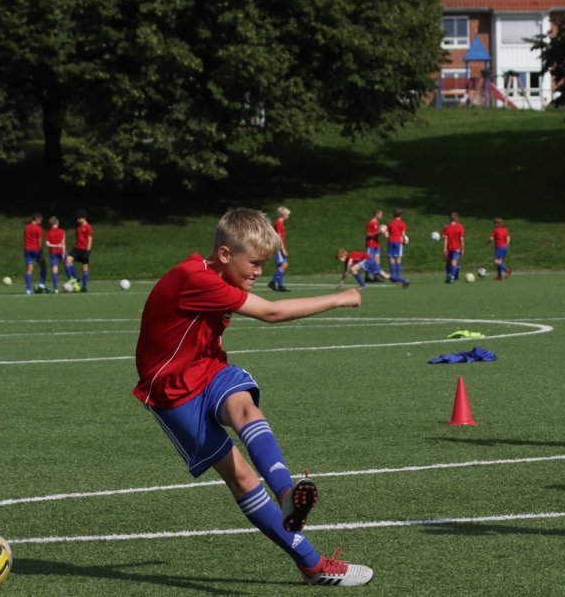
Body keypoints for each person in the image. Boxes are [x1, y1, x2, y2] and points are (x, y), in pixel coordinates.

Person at [134, 208, 373, 586]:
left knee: (243, 405)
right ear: (226, 254)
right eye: (255, 263)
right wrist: (340, 298)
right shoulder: (196, 278)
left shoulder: (210, 272)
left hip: (208, 368)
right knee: (241, 477)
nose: (259, 272)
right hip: (172, 391)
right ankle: (312, 564)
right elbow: (272, 312)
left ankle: (285, 495)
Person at [336, 248, 406, 288]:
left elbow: (349, 264)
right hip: (371, 260)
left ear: (344, 256)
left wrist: (348, 270)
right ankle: (404, 281)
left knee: (353, 269)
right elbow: (345, 272)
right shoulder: (346, 261)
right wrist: (342, 281)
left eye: (339, 258)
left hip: (368, 260)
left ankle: (362, 285)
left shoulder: (349, 256)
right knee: (385, 276)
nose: (339, 260)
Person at [64, 209, 92, 292]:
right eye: (77, 218)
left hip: (84, 250)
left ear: (84, 218)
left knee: (85, 268)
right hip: (76, 248)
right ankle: (75, 277)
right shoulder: (78, 227)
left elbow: (90, 239)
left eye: (79, 218)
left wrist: (88, 250)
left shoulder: (88, 227)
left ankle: (84, 287)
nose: (78, 220)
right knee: (67, 261)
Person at [23, 212, 48, 294]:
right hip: (35, 249)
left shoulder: (26, 228)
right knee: (43, 265)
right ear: (37, 219)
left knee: (29, 270)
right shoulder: (38, 228)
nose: (41, 221)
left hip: (27, 249)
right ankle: (42, 284)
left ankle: (28, 289)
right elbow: (39, 241)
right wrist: (41, 250)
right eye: (40, 220)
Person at [268, 206, 291, 292]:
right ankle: (273, 282)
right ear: (283, 214)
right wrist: (283, 248)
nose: (288, 216)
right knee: (284, 265)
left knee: (281, 265)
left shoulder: (280, 223)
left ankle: (280, 285)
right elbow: (278, 236)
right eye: (287, 214)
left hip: (280, 246)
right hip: (278, 247)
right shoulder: (278, 223)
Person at [442, 212, 465, 283]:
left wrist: (445, 248)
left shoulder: (447, 227)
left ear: (450, 218)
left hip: (449, 248)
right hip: (456, 248)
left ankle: (449, 276)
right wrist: (462, 249)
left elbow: (445, 239)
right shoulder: (460, 226)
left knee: (449, 263)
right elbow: (461, 239)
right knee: (453, 263)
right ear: (457, 218)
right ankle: (451, 277)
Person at [387, 208, 408, 284]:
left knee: (391, 259)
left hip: (391, 241)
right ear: (401, 215)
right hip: (398, 242)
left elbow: (388, 234)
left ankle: (392, 277)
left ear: (394, 215)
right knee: (398, 259)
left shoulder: (390, 223)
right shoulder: (402, 224)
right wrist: (405, 241)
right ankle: (398, 277)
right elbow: (403, 234)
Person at [46, 215, 67, 293]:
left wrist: (54, 245)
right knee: (68, 264)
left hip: (53, 253)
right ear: (57, 223)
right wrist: (64, 253)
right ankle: (73, 282)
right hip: (61, 251)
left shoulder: (48, 232)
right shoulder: (62, 231)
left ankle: (56, 289)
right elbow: (63, 243)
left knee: (55, 269)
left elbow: (47, 244)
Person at [364, 209, 385, 281]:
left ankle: (376, 276)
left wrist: (381, 233)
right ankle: (367, 276)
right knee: (369, 260)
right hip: (371, 244)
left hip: (376, 243)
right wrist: (378, 232)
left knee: (377, 259)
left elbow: (376, 233)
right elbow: (368, 234)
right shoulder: (371, 223)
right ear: (377, 214)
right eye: (381, 214)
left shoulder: (377, 223)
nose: (382, 216)